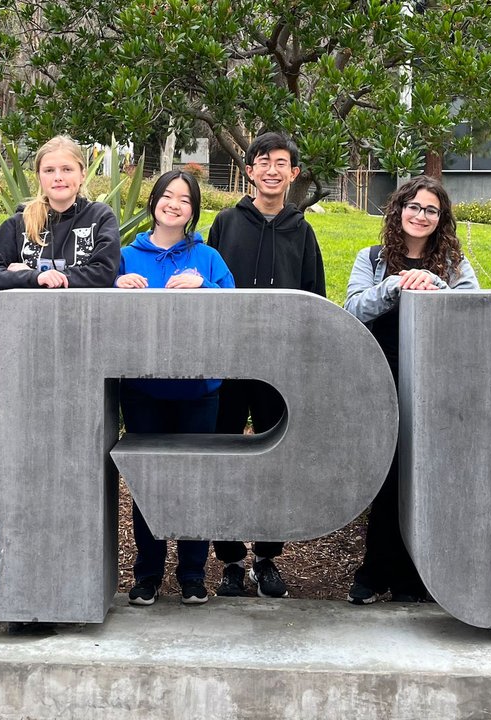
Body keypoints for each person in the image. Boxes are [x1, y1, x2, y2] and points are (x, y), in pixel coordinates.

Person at [342, 176, 478, 604]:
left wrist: (433, 285)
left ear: (441, 220)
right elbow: (351, 310)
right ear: (399, 210)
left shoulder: (455, 265)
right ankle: (376, 569)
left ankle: (413, 576)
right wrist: (394, 286)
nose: (421, 216)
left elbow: (472, 312)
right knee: (387, 475)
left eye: (431, 210)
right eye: (414, 206)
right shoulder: (372, 259)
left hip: (433, 384)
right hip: (379, 380)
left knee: (423, 475)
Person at [206, 131, 326, 599]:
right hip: (230, 361)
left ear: (294, 173)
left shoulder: (302, 229)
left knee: (279, 461)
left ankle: (268, 557)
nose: (272, 170)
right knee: (225, 457)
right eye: (263, 161)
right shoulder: (226, 224)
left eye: (282, 163)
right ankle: (231, 559)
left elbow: (315, 296)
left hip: (281, 367)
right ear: (249, 170)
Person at [115, 170, 235, 606]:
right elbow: (101, 311)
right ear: (154, 202)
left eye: (184, 199)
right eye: (167, 196)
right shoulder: (127, 255)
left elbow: (236, 305)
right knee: (148, 482)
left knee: (194, 481)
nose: (174, 204)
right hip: (143, 388)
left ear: (193, 210)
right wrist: (117, 285)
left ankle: (191, 574)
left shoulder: (207, 258)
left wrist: (206, 285)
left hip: (199, 389)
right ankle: (146, 575)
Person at [0, 136, 120, 289]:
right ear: (39, 177)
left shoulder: (100, 217)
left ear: (82, 174)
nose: (58, 177)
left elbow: (104, 273)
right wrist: (34, 277)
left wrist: (43, 274)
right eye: (49, 170)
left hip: (84, 310)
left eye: (67, 169)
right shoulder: (20, 222)